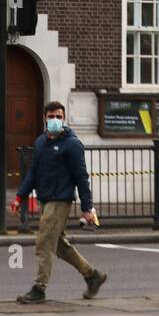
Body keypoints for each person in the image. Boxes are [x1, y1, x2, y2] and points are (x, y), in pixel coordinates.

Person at [10, 100, 107, 304]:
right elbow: (33, 173)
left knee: (44, 240)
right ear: (44, 118)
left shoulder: (72, 145)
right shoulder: (40, 143)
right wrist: (20, 196)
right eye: (51, 116)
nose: (55, 120)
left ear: (64, 119)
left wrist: (87, 208)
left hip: (60, 200)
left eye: (59, 117)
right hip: (46, 198)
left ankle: (39, 288)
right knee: (60, 245)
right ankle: (92, 276)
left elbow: (81, 177)